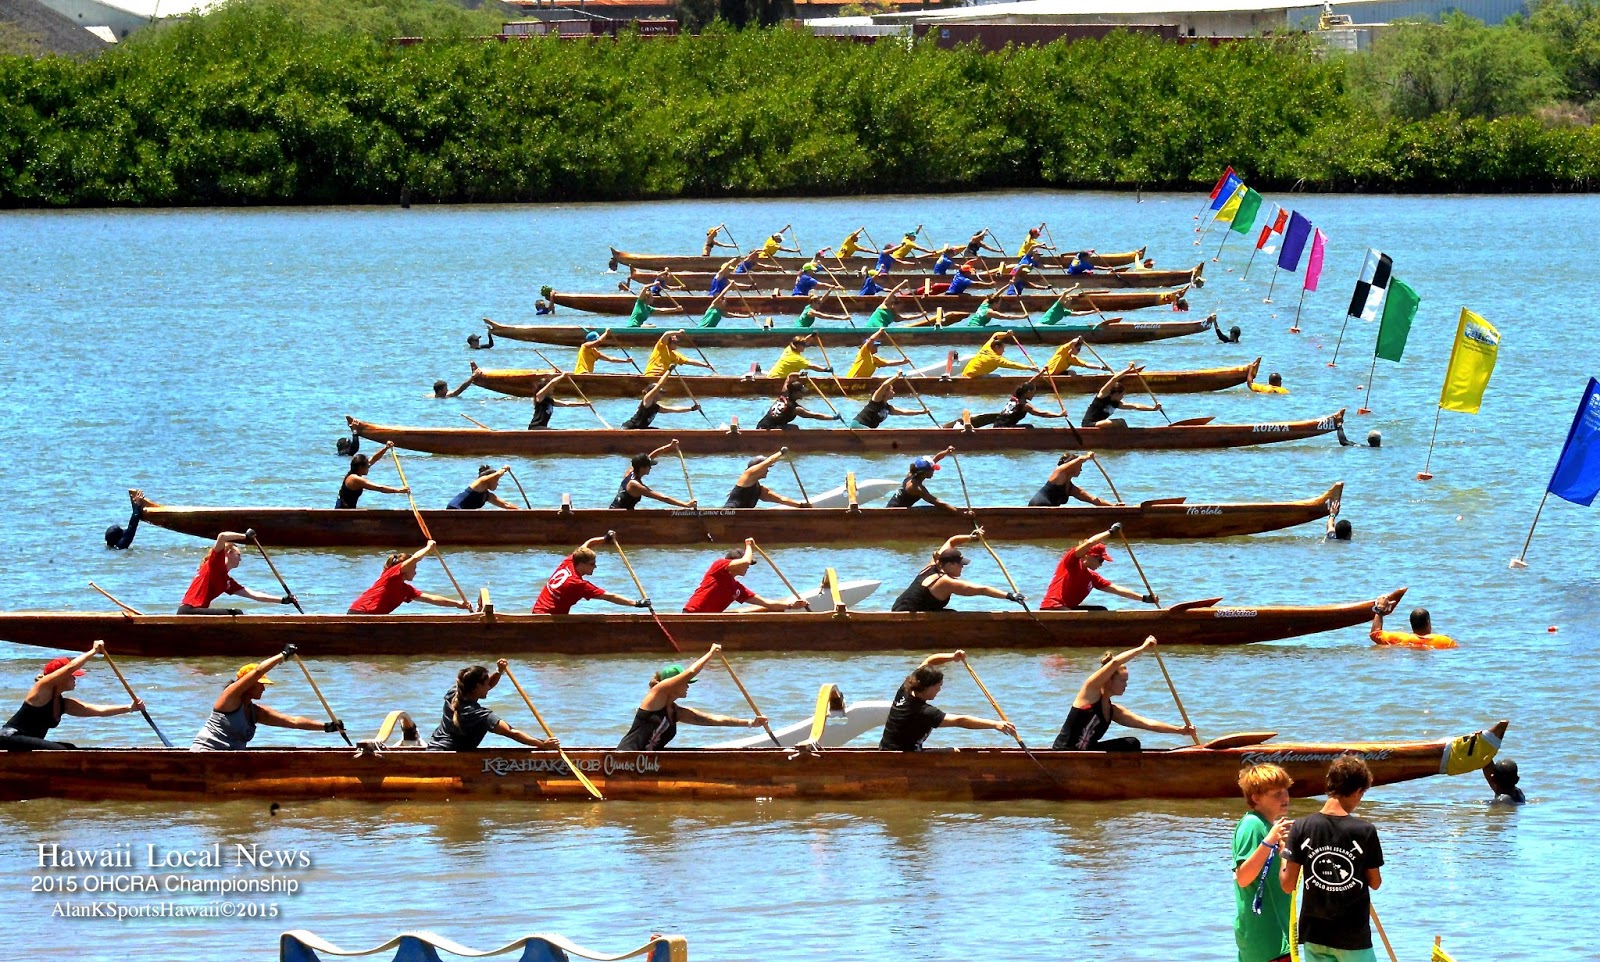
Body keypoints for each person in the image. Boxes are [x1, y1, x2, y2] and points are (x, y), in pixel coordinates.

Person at [1279, 755, 1385, 962]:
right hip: (1353, 936)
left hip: (1314, 934)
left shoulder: (1301, 827)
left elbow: (1287, 884)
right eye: (1361, 795)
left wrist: (1284, 855)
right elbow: (1375, 882)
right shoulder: (1365, 831)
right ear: (1357, 791)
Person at [1052, 636, 1194, 750]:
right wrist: (1142, 649)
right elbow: (1114, 663)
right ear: (1108, 679)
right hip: (1064, 752)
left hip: (1087, 756)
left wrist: (1181, 730)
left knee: (1131, 743)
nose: (1126, 685)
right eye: (1122, 681)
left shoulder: (1114, 711)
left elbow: (1147, 723)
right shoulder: (1090, 692)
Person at [190, 647, 345, 750]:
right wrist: (282, 656)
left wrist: (327, 726)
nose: (264, 688)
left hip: (230, 761)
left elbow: (293, 721)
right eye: (261, 684)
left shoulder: (256, 713)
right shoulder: (229, 698)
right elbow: (258, 671)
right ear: (248, 684)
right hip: (205, 753)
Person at [617, 645, 767, 750]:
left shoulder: (677, 712)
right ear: (673, 684)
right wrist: (710, 653)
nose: (688, 686)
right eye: (686, 683)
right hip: (624, 760)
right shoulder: (657, 695)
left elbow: (714, 719)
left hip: (647, 764)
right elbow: (691, 671)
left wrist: (750, 723)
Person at [1, 643, 143, 751]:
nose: (75, 679)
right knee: (62, 751)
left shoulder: (64, 704)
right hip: (10, 737)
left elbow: (96, 710)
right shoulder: (42, 689)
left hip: (26, 742)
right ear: (60, 677)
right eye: (73, 677)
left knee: (71, 748)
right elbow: (70, 667)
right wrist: (94, 651)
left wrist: (130, 708)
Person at [878, 650, 1016, 751]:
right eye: (939, 687)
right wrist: (995, 725)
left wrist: (952, 657)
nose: (939, 691)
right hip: (905, 759)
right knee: (954, 752)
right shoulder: (925, 712)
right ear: (928, 687)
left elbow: (930, 661)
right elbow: (960, 721)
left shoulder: (906, 688)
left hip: (884, 751)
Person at [1233, 763, 1295, 962]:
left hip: (1279, 934)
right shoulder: (1252, 824)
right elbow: (1242, 877)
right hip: (1264, 938)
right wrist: (1269, 841)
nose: (1285, 798)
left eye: (1285, 791)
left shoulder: (1270, 826)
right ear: (1256, 798)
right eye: (1276, 794)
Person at [427, 660, 560, 750]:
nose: (489, 687)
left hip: (433, 748)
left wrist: (499, 671)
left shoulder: (454, 693)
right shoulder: (479, 715)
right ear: (477, 687)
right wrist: (543, 745)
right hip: (449, 758)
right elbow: (512, 733)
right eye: (485, 684)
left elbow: (488, 683)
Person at [891, 531, 1023, 612]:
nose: (963, 567)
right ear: (950, 564)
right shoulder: (945, 582)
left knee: (950, 613)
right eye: (960, 564)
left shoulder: (934, 563)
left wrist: (972, 537)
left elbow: (952, 541)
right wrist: (1010, 596)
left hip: (898, 607)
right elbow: (981, 589)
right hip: (906, 616)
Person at [178, 531, 296, 615]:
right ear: (228, 553)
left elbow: (253, 594)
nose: (240, 559)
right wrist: (245, 536)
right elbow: (222, 536)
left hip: (197, 612)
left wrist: (283, 600)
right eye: (238, 555)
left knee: (237, 613)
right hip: (189, 610)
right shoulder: (214, 564)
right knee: (237, 613)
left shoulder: (227, 581)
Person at [1041, 525, 1155, 610]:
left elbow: (1117, 590)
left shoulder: (1091, 577)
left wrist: (1144, 598)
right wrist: (1110, 532)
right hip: (1053, 606)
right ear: (1088, 555)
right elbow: (1090, 543)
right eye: (1100, 560)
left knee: (1101, 611)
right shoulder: (1070, 562)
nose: (1101, 564)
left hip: (1067, 610)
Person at [533, 536, 652, 615]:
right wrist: (636, 603)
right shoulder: (578, 584)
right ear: (581, 564)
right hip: (547, 619)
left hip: (536, 612)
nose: (595, 567)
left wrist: (605, 538)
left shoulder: (569, 561)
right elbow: (609, 597)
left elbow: (588, 543)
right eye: (592, 564)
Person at [683, 539, 810, 613]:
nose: (748, 566)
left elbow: (767, 603)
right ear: (733, 563)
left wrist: (792, 606)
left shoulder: (737, 589)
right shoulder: (719, 567)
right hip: (692, 614)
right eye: (747, 563)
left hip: (710, 620)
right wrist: (748, 545)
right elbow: (745, 561)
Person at [347, 542, 475, 614]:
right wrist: (428, 548)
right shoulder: (391, 575)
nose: (415, 572)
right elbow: (414, 559)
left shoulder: (406, 590)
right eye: (414, 568)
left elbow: (432, 599)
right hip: (359, 614)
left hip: (373, 618)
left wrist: (458, 604)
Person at [611, 444, 696, 510]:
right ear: (642, 468)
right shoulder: (635, 485)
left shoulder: (630, 472)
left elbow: (651, 456)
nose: (651, 468)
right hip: (618, 516)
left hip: (614, 511)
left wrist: (669, 446)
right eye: (649, 466)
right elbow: (662, 498)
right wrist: (686, 505)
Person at [1084, 364, 1163, 427]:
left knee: (1120, 424)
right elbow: (1114, 378)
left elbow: (1135, 406)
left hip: (1100, 426)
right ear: (1116, 393)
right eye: (1122, 395)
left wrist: (1153, 408)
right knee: (1120, 422)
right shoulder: (1103, 395)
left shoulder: (1117, 403)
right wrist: (1128, 369)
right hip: (1089, 424)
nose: (1123, 397)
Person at [724, 450, 809, 508]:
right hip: (729, 514)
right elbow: (769, 461)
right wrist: (781, 452)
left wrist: (802, 506)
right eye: (766, 468)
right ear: (758, 468)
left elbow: (781, 499)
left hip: (741, 520)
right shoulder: (748, 475)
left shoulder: (760, 490)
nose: (768, 470)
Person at [335, 443, 407, 509]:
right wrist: (399, 490)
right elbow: (379, 488)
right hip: (342, 512)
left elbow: (374, 458)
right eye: (367, 466)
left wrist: (386, 448)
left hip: (349, 510)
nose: (369, 467)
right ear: (360, 467)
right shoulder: (355, 479)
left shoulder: (355, 472)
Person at [621, 371, 701, 429]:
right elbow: (659, 384)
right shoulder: (647, 400)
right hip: (629, 428)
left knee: (659, 431)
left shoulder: (656, 407)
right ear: (654, 393)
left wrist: (692, 408)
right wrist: (669, 371)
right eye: (661, 392)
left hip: (641, 429)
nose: (662, 394)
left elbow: (674, 409)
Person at [1029, 453, 1113, 507]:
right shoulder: (1059, 473)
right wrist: (1087, 456)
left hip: (1050, 514)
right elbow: (1079, 459)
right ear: (1073, 466)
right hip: (1036, 508)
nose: (1081, 470)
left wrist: (1113, 506)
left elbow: (1093, 500)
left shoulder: (1071, 489)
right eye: (1080, 466)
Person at [1369, 598, 1456, 649]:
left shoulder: (1400, 639)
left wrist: (1380, 610)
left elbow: (1375, 634)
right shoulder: (1446, 642)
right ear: (1428, 622)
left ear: (1411, 623)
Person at [756, 377, 838, 430]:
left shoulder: (784, 394)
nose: (803, 394)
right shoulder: (795, 409)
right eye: (801, 392)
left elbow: (789, 377)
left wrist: (800, 374)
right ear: (794, 393)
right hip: (768, 429)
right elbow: (814, 415)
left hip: (760, 425)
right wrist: (833, 417)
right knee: (794, 428)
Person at [886, 449, 958, 509]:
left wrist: (947, 451)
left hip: (892, 508)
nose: (934, 471)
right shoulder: (917, 488)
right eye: (933, 469)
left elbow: (936, 458)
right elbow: (938, 503)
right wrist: (962, 514)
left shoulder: (912, 474)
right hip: (894, 513)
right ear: (925, 472)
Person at [990, 382, 1069, 428]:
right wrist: (1059, 415)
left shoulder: (1015, 397)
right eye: (1033, 392)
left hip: (997, 425)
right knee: (1029, 427)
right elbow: (1041, 413)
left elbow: (1025, 384)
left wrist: (1041, 373)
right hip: (1004, 428)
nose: (1034, 395)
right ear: (1028, 392)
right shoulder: (1025, 405)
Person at [853, 378, 924, 428]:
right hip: (858, 425)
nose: (894, 392)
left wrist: (922, 412)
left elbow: (904, 412)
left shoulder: (887, 408)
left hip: (869, 430)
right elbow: (884, 385)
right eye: (891, 390)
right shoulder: (876, 400)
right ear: (885, 392)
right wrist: (897, 376)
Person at [447, 464, 520, 510]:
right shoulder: (480, 482)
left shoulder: (487, 496)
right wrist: (504, 469)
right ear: (490, 479)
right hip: (454, 510)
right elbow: (497, 474)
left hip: (465, 515)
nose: (497, 484)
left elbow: (505, 504)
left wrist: (520, 510)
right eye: (496, 481)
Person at [962, 333, 1036, 377]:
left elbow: (996, 334)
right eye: (1002, 348)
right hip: (973, 377)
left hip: (965, 374)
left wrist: (1006, 334)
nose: (1004, 351)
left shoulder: (987, 346)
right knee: (997, 376)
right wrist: (1029, 368)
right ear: (997, 347)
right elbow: (1012, 364)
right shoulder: (996, 359)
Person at [843, 329, 909, 379]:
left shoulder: (875, 359)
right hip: (852, 379)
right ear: (870, 346)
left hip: (864, 381)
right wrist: (879, 332)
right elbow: (871, 340)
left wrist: (903, 362)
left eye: (877, 346)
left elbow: (888, 363)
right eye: (875, 346)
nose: (877, 347)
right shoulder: (863, 353)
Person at [644, 330, 712, 377]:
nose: (677, 344)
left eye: (677, 342)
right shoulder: (661, 347)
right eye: (675, 342)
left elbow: (689, 361)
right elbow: (666, 334)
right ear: (668, 342)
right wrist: (678, 333)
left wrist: (705, 365)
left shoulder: (676, 355)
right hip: (652, 375)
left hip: (663, 377)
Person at [767, 335, 832, 378]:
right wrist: (825, 369)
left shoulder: (789, 349)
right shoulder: (797, 359)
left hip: (771, 375)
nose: (805, 346)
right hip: (777, 379)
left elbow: (805, 341)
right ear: (797, 346)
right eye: (803, 345)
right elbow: (812, 367)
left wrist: (812, 336)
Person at [1041, 337, 1109, 377]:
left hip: (1057, 375)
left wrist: (1101, 367)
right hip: (1047, 373)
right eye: (1078, 349)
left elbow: (1086, 365)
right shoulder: (1062, 351)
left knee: (1072, 373)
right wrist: (1078, 339)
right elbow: (1071, 343)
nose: (1079, 351)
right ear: (1073, 348)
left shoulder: (1073, 359)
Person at [955, 296, 1029, 329]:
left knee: (997, 327)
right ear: (995, 303)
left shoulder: (984, 304)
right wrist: (1023, 317)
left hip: (970, 326)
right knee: (998, 328)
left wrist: (1008, 285)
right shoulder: (989, 312)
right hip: (976, 328)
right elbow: (1006, 317)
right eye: (999, 303)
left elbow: (994, 296)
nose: (1000, 305)